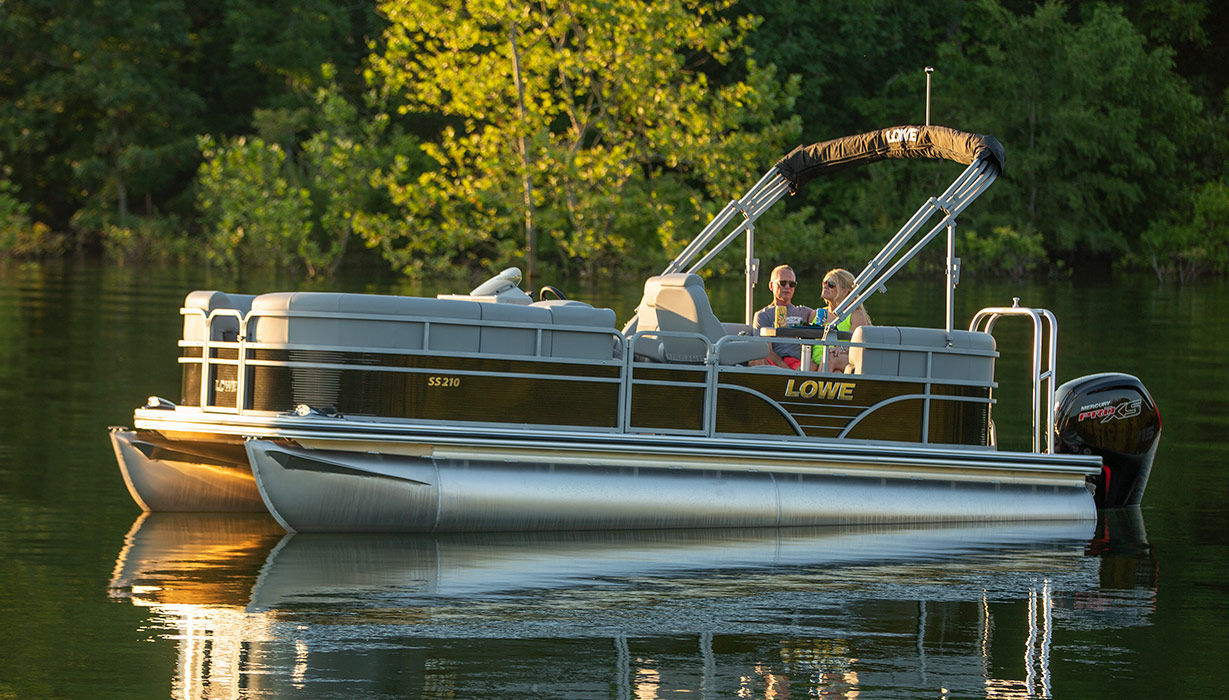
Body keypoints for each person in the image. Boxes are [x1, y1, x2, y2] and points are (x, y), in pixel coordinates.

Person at [751, 265, 815, 369]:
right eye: (783, 283)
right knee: (756, 360)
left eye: (792, 284)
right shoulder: (762, 315)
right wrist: (786, 370)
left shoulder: (806, 312)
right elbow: (766, 350)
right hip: (775, 363)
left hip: (799, 362)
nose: (787, 287)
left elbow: (830, 314)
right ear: (771, 286)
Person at [810, 268, 872, 372]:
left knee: (829, 357)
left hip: (845, 358)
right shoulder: (815, 314)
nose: (825, 286)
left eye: (831, 284)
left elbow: (857, 347)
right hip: (820, 361)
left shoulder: (856, 315)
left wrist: (842, 348)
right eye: (824, 283)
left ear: (845, 291)